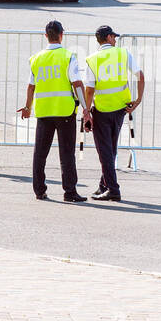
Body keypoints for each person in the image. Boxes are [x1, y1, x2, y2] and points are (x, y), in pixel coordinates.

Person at [19, 20, 88, 202]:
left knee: (40, 153)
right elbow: (77, 84)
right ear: (61, 34)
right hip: (64, 111)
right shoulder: (68, 56)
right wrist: (86, 109)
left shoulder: (36, 58)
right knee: (66, 153)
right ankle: (70, 192)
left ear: (45, 36)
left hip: (43, 112)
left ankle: (39, 190)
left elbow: (31, 86)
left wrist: (27, 107)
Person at [83, 25, 144, 202]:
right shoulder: (123, 53)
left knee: (105, 151)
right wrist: (138, 100)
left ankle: (113, 188)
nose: (115, 39)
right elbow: (141, 76)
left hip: (102, 109)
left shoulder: (92, 59)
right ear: (108, 37)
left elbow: (89, 90)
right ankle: (104, 185)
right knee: (111, 148)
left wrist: (87, 112)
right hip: (121, 108)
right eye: (114, 36)